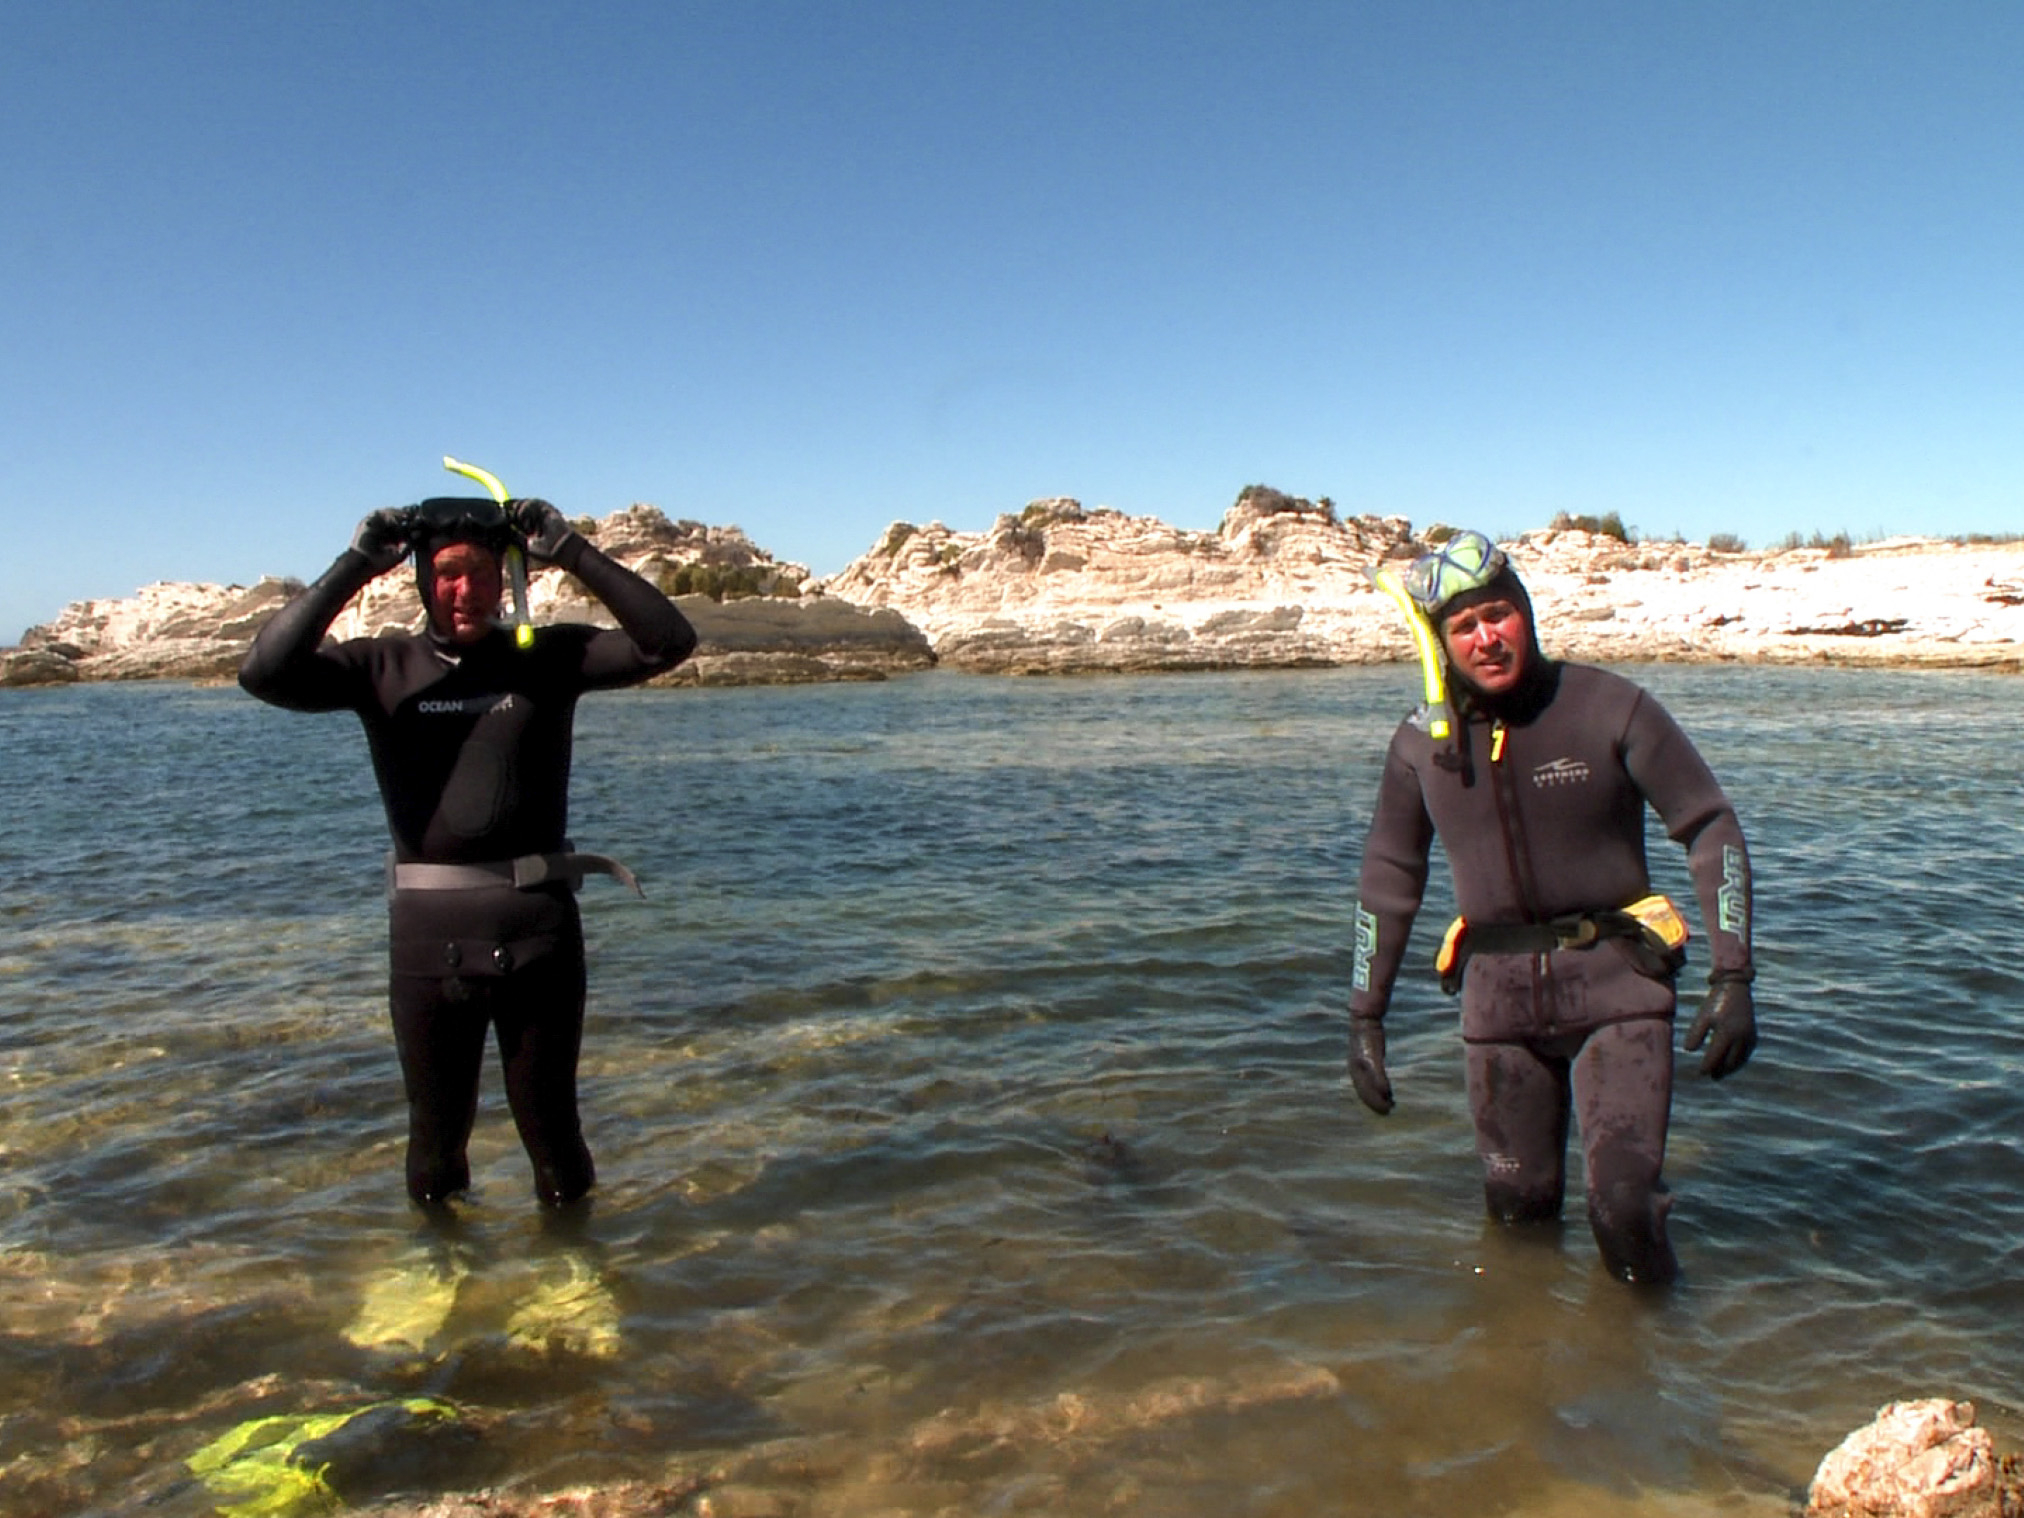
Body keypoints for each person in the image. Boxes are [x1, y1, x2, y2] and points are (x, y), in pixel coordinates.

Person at [240, 494, 697, 1208]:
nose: (466, 591)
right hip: (429, 945)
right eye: (448, 573)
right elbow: (264, 673)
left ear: (507, 577)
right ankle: (440, 1274)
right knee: (435, 1139)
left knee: (555, 1134)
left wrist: (571, 549)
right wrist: (357, 564)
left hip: (539, 936)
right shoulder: (380, 669)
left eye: (483, 573)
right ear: (423, 579)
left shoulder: (547, 660)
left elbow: (668, 641)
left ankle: (573, 1277)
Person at [1346, 530, 1756, 1284]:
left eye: (1499, 615)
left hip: (1617, 988)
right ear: (1440, 644)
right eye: (1464, 627)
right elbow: (1389, 872)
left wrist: (1733, 977)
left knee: (1623, 1208)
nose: (1487, 638)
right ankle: (1522, 1381)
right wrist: (1365, 1016)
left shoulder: (1607, 705)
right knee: (1516, 1213)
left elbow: (1709, 825)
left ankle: (1651, 1379)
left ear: (1526, 614)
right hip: (1497, 1007)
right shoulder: (1419, 745)